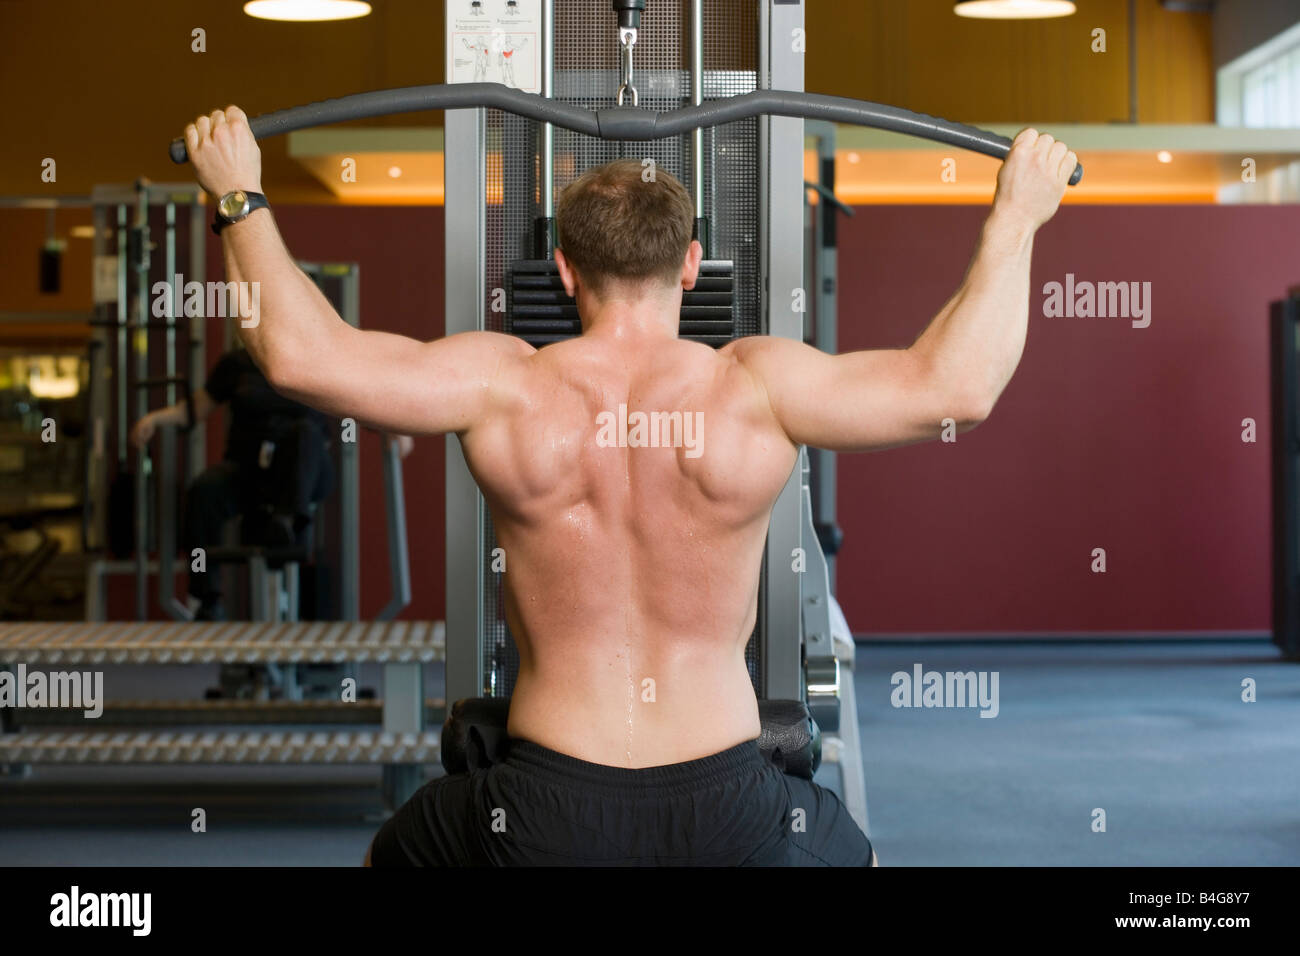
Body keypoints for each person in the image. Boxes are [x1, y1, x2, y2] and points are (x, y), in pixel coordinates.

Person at [182, 106, 1075, 865]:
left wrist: (237, 195)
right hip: (731, 812)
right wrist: (1018, 215)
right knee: (853, 854)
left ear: (564, 269)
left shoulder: (504, 385)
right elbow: (956, 387)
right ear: (690, 264)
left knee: (399, 852)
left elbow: (299, 355)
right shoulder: (756, 386)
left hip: (540, 811)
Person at [131, 346, 336, 620]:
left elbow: (357, 405)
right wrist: (155, 418)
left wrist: (387, 425)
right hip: (249, 468)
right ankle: (207, 596)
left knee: (305, 433)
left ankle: (286, 523)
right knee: (204, 491)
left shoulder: (315, 357)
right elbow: (193, 410)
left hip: (301, 475)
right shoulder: (237, 362)